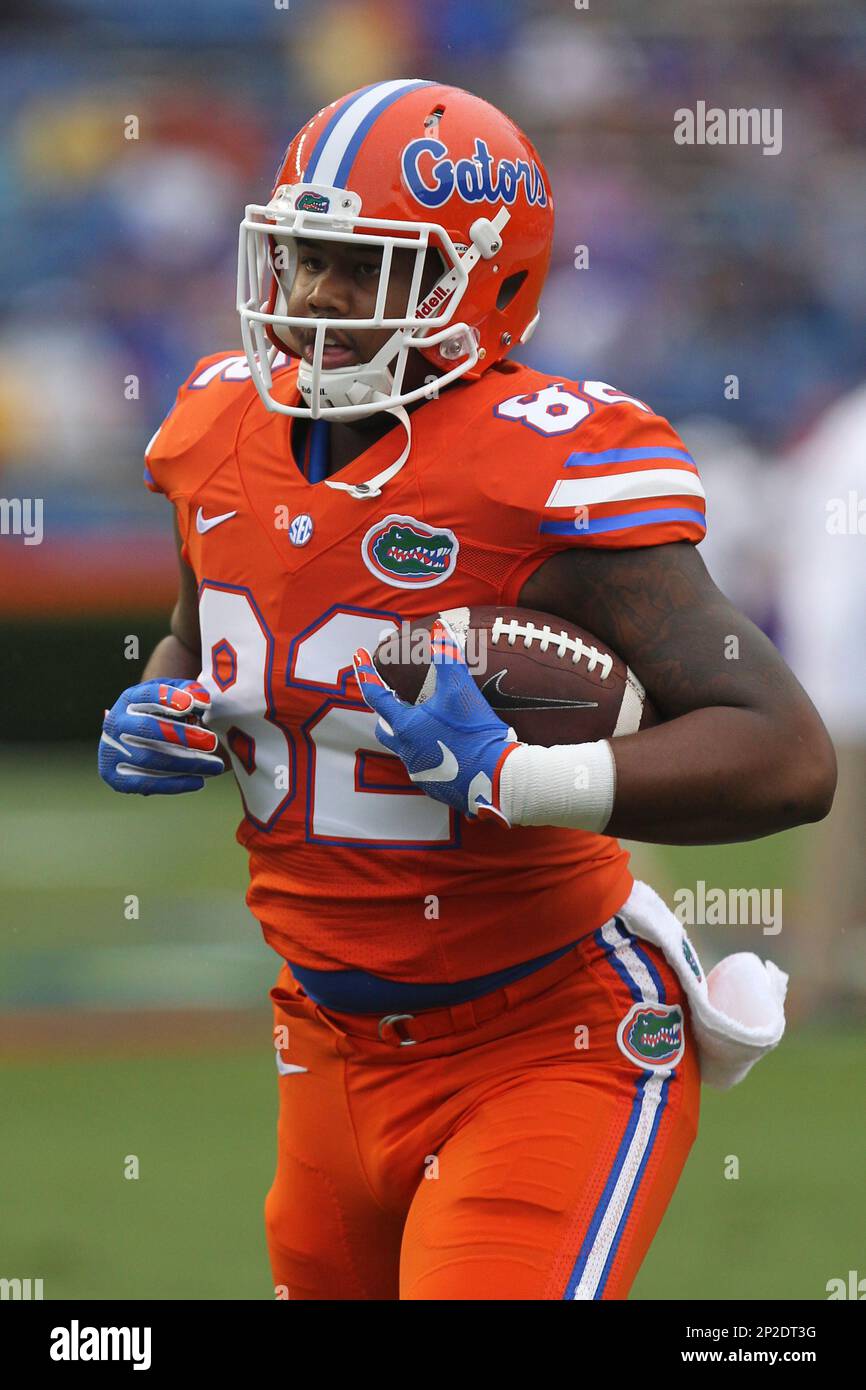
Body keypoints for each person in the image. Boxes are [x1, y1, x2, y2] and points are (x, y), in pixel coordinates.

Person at [99, 80, 835, 1300]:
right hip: (322, 1046)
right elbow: (197, 636)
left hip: (549, 1039)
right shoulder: (212, 427)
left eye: (362, 269)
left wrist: (517, 778)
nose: (316, 299)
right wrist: (166, 702)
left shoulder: (538, 464)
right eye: (303, 257)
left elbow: (785, 752)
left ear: (480, 282)